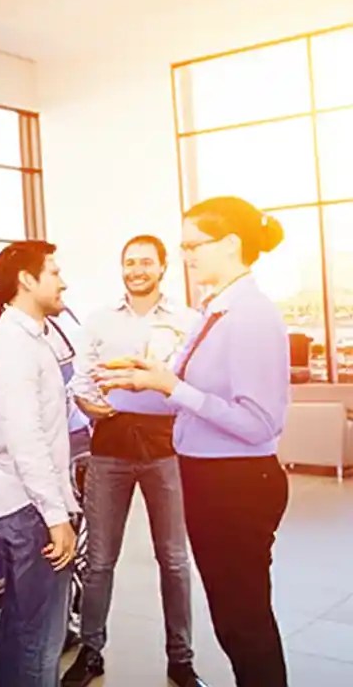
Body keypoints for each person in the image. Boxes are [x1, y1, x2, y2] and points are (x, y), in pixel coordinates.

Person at [95, 196, 290, 687]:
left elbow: (258, 423)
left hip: (238, 484)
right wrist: (122, 393)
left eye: (192, 246)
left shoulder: (250, 315)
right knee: (231, 621)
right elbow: (180, 395)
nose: (185, 256)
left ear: (230, 244)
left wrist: (170, 386)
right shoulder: (215, 311)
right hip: (207, 478)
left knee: (245, 624)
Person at [62, 235, 206, 687]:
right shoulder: (100, 321)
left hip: (169, 445)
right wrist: (86, 404)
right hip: (111, 442)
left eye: (146, 262)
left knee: (174, 559)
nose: (137, 269)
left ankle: (180, 659)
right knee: (100, 560)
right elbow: (79, 379)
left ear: (163, 267)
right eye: (129, 262)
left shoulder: (188, 320)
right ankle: (91, 651)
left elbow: (198, 382)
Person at [0, 240, 79, 687]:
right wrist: (56, 515)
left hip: (20, 503)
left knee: (21, 627)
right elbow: (26, 438)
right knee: (41, 637)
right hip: (32, 507)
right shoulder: (16, 346)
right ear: (27, 279)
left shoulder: (23, 339)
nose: (63, 282)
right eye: (54, 273)